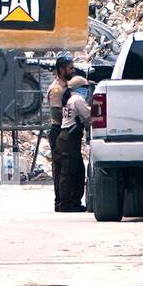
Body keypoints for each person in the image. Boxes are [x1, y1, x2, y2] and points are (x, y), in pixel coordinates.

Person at [55, 76, 91, 212]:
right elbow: (89, 116)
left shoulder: (70, 99)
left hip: (65, 137)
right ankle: (68, 203)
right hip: (69, 138)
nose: (87, 91)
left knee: (70, 171)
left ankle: (68, 202)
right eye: (86, 88)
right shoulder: (78, 99)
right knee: (71, 172)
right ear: (80, 88)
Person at [46, 55, 75, 209]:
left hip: (65, 129)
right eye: (70, 68)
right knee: (62, 168)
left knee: (68, 167)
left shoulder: (67, 86)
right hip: (59, 130)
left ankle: (68, 200)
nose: (73, 70)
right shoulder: (57, 89)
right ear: (61, 70)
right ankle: (62, 202)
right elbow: (56, 113)